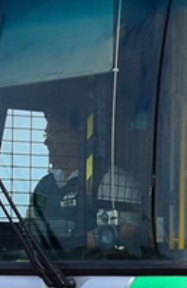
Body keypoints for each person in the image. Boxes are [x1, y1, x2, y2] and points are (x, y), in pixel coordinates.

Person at [30, 108, 144, 253]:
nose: (47, 142)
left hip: (98, 269)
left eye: (58, 133)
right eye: (48, 134)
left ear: (82, 137)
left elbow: (131, 229)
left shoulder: (113, 181)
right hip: (42, 267)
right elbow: (33, 226)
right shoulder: (45, 184)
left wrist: (95, 239)